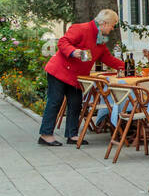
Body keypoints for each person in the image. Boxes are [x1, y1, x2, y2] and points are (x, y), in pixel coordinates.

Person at [38, 9, 124, 146]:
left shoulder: (100, 39)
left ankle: (72, 135)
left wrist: (127, 67)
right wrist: (73, 52)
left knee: (76, 104)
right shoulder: (81, 28)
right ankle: (45, 134)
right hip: (59, 71)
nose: (113, 28)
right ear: (105, 23)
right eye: (113, 25)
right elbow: (63, 42)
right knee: (55, 101)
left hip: (76, 76)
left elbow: (108, 58)